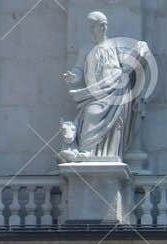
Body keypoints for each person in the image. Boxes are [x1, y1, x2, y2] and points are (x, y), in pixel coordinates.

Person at [63, 11, 151, 161]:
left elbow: (129, 63)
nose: (103, 27)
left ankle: (110, 154)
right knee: (91, 113)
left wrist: (141, 50)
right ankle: (88, 152)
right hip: (95, 93)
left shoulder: (116, 45)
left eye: (104, 24)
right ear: (91, 28)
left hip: (116, 89)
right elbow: (78, 69)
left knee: (116, 123)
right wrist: (73, 77)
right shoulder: (86, 49)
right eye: (99, 25)